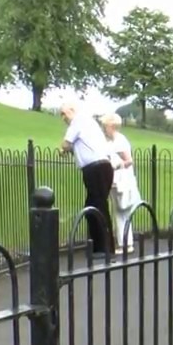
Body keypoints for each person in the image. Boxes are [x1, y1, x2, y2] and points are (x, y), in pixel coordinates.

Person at [59, 102, 116, 255]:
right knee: (94, 206)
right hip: (102, 167)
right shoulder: (89, 123)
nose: (63, 118)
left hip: (95, 169)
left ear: (72, 111)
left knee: (97, 207)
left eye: (64, 113)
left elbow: (66, 144)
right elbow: (79, 146)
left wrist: (61, 150)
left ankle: (104, 248)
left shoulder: (78, 121)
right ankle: (100, 246)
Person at [99, 113, 143, 254]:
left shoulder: (119, 140)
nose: (103, 128)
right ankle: (125, 243)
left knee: (121, 212)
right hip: (115, 180)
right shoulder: (111, 141)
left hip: (122, 180)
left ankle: (125, 243)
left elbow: (129, 160)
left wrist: (115, 166)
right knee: (120, 212)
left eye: (104, 126)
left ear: (111, 126)